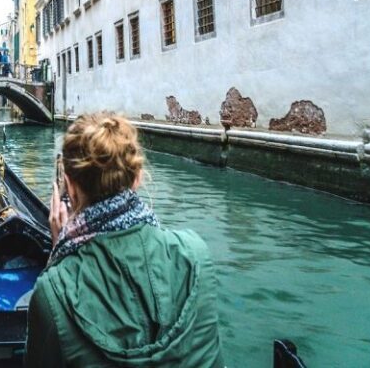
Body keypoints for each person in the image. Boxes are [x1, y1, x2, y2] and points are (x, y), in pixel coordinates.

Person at [26, 112, 224, 368]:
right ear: (138, 177)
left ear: (69, 186)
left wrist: (59, 253)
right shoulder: (195, 253)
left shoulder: (52, 291)